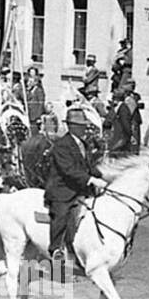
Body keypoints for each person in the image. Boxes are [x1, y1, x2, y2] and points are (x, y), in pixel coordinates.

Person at [43, 106, 107, 263]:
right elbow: (68, 170)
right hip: (62, 190)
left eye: (85, 125)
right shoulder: (62, 145)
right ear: (72, 126)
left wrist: (103, 176)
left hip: (80, 187)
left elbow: (87, 166)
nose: (84, 128)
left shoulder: (82, 144)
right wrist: (90, 180)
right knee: (62, 215)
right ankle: (56, 249)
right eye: (81, 126)